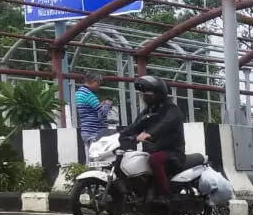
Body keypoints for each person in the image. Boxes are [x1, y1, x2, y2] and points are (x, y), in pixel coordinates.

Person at [118, 75, 184, 203]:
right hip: (153, 150)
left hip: (172, 153)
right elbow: (135, 126)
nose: (143, 95)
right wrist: (118, 135)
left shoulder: (171, 109)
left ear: (158, 93)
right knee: (133, 158)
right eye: (142, 93)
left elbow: (164, 124)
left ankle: (165, 196)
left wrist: (149, 133)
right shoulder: (148, 111)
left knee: (154, 160)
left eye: (147, 93)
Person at [74, 71, 112, 157]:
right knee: (98, 161)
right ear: (95, 81)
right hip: (94, 132)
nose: (99, 86)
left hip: (86, 131)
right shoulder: (89, 95)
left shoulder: (79, 93)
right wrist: (107, 104)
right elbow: (103, 113)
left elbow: (89, 110)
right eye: (99, 83)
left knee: (90, 159)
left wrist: (100, 105)